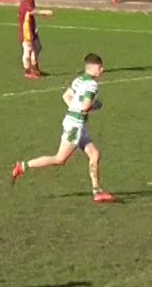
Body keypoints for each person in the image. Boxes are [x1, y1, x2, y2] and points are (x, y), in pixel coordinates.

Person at [11, 53, 115, 203]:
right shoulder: (92, 85)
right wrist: (96, 105)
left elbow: (66, 96)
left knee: (95, 154)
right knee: (59, 159)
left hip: (76, 123)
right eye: (100, 67)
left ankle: (97, 192)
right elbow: (86, 106)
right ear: (92, 68)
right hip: (76, 126)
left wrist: (75, 109)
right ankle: (23, 166)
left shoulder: (79, 80)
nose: (102, 70)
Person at [19, 0, 51, 79]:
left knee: (36, 48)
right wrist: (44, 12)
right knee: (28, 50)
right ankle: (28, 71)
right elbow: (31, 12)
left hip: (31, 29)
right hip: (26, 30)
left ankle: (35, 69)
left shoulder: (30, 0)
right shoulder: (26, 2)